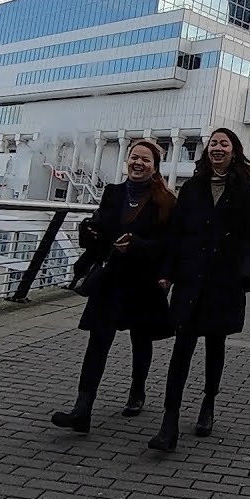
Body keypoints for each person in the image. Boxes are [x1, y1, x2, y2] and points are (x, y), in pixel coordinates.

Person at [150, 128, 250, 452]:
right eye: (213, 143)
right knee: (181, 350)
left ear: (234, 151)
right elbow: (175, 235)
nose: (218, 148)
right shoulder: (192, 189)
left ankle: (208, 402)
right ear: (208, 151)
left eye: (224, 144)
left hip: (223, 283)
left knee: (215, 346)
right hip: (190, 279)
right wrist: (167, 274)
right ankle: (168, 421)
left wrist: (247, 275)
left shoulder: (245, 192)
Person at [51, 140, 176, 434]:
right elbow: (101, 227)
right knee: (98, 340)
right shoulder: (113, 192)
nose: (138, 163)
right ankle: (82, 409)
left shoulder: (165, 201)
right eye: (134, 157)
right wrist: (90, 230)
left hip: (144, 280)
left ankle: (137, 390)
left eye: (145, 159)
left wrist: (139, 247)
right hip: (111, 278)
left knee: (141, 338)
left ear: (155, 166)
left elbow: (169, 244)